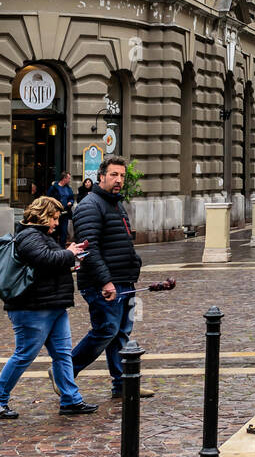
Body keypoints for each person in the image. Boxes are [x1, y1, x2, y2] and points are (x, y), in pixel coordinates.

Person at [63, 156, 152, 401]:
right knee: (106, 330)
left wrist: (133, 264)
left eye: (122, 176)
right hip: (102, 283)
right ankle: (64, 371)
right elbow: (89, 249)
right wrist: (105, 282)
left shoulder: (115, 203)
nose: (119, 180)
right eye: (114, 175)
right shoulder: (90, 205)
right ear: (101, 176)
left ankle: (124, 384)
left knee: (121, 332)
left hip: (123, 279)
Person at [0, 197, 95, 419]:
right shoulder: (29, 236)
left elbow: (48, 266)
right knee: (24, 354)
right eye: (54, 218)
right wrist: (69, 253)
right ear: (43, 216)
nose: (56, 223)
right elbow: (45, 259)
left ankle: (70, 399)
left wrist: (72, 257)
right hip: (32, 307)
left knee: (62, 354)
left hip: (53, 305)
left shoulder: (40, 236)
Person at [47, 171, 75, 245]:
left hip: (65, 213)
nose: (69, 180)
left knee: (64, 232)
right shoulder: (54, 187)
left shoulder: (68, 188)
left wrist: (70, 202)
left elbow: (71, 198)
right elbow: (48, 198)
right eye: (69, 178)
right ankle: (54, 246)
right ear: (64, 178)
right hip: (55, 213)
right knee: (55, 231)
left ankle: (62, 247)